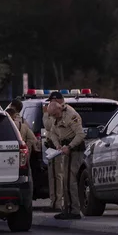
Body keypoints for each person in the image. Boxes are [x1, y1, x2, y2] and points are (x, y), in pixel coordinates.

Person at [43, 91, 85, 220]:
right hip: (65, 149)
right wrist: (57, 145)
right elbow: (53, 132)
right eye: (52, 116)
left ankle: (74, 210)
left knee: (70, 180)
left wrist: (70, 146)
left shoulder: (71, 115)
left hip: (75, 150)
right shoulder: (57, 117)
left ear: (60, 108)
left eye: (55, 115)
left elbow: (80, 134)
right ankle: (67, 208)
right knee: (66, 180)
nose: (54, 118)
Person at [6, 101, 44, 198]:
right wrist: (28, 148)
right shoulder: (23, 122)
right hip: (22, 156)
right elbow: (33, 139)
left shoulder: (5, 122)